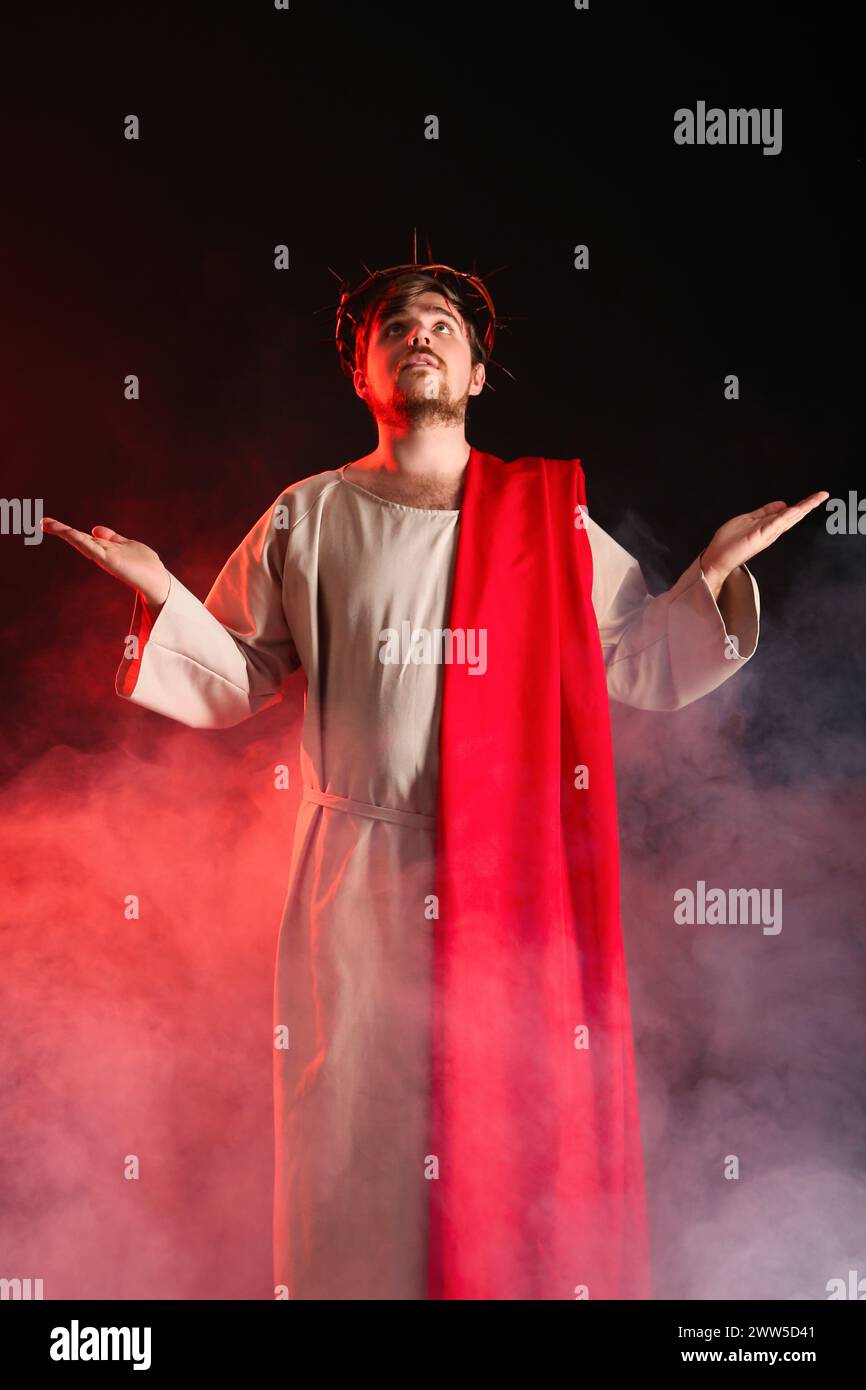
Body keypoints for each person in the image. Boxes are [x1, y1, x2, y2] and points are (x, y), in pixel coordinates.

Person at [41, 259, 827, 1300]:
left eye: (442, 324)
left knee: (508, 1131)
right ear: (360, 370)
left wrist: (713, 579)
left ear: (477, 369)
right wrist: (164, 598)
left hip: (508, 876)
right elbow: (239, 672)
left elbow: (637, 656)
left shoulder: (544, 515)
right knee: (354, 1142)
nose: (419, 336)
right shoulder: (310, 512)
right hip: (352, 876)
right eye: (393, 326)